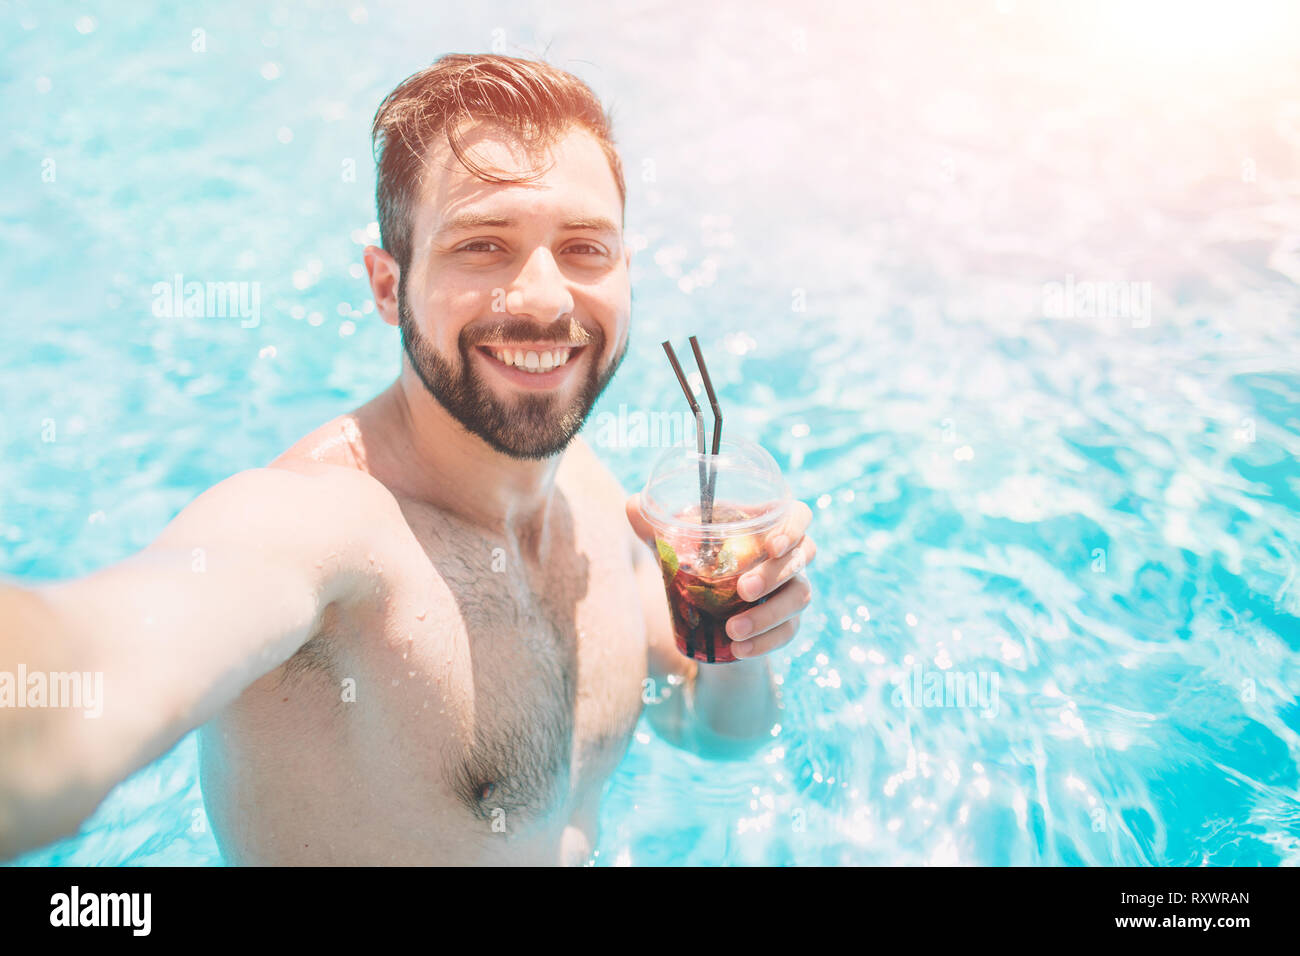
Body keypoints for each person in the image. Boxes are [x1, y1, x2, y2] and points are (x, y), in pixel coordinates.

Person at [0, 53, 816, 865]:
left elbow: (711, 732)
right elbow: (94, 672)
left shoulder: (597, 500)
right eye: (483, 246)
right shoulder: (321, 531)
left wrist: (741, 629)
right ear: (388, 286)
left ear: (625, 274)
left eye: (583, 249)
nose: (542, 298)